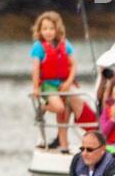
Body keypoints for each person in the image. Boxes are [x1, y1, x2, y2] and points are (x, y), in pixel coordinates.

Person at [31, 11, 85, 152]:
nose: (48, 32)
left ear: (57, 29)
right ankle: (42, 108)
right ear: (40, 30)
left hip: (63, 83)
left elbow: (73, 65)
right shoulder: (38, 47)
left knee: (65, 112)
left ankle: (64, 145)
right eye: (45, 29)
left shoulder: (65, 44)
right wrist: (36, 88)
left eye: (51, 28)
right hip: (48, 85)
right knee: (59, 108)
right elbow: (36, 68)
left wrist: (68, 82)